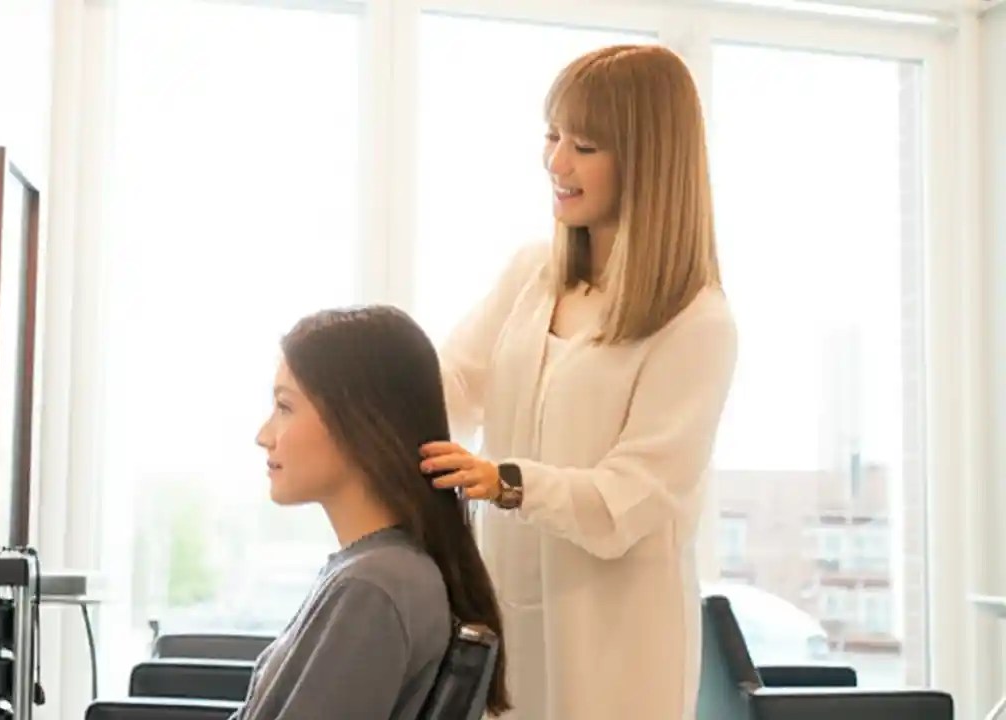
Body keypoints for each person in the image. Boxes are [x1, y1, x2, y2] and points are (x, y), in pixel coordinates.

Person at [419, 44, 739, 719]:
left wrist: (506, 481)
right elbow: (451, 382)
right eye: (552, 134)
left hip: (616, 648)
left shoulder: (696, 321)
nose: (555, 162)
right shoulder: (533, 274)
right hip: (510, 617)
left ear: (647, 160)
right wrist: (370, 378)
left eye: (584, 145)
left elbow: (635, 496)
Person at [235, 305, 511, 720]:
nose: (264, 435)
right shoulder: (379, 572)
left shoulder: (373, 587)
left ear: (356, 419)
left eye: (285, 407)